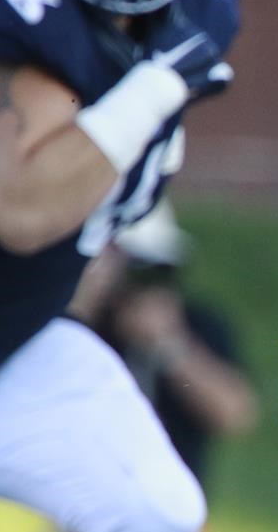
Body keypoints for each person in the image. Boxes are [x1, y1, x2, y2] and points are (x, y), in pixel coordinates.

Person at [0, 0, 241, 532]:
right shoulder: (23, 2)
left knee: (153, 509)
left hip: (17, 342)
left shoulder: (200, 0)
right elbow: (24, 208)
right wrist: (155, 87)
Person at [67, 199, 259, 489]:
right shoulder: (84, 329)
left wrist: (170, 346)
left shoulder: (198, 323)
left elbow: (235, 414)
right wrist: (83, 303)